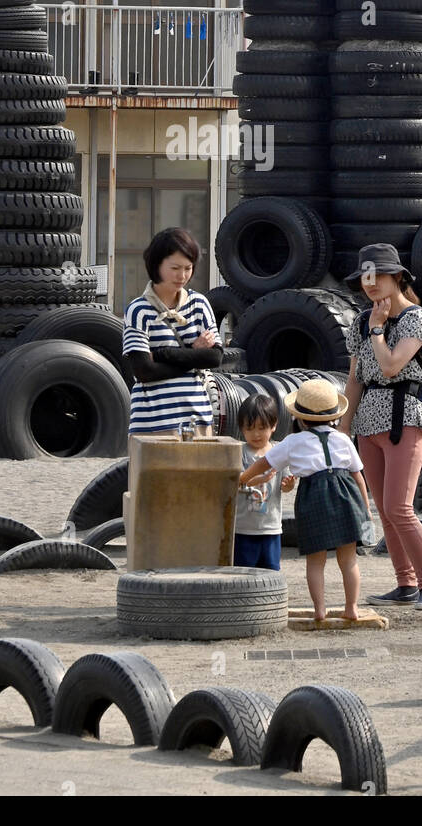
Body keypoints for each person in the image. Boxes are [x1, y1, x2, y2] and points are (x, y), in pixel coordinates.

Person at [340, 243, 422, 612]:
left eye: (378, 276)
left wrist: (376, 330)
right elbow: (355, 379)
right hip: (368, 419)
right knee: (384, 510)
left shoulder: (419, 318)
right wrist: (341, 430)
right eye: (365, 278)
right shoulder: (360, 321)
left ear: (398, 276)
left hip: (407, 415)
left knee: (399, 507)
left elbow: (390, 367)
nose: (371, 284)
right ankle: (405, 584)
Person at [240, 378, 371, 624]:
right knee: (348, 558)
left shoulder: (293, 441)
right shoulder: (343, 438)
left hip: (314, 495)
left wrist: (243, 478)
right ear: (334, 416)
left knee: (316, 559)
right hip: (346, 492)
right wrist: (365, 509)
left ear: (299, 418)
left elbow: (263, 463)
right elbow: (358, 475)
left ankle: (319, 609)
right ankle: (351, 607)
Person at [121, 227, 222, 436]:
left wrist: (160, 354)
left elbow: (214, 358)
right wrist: (194, 355)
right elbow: (144, 371)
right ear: (156, 265)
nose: (182, 276)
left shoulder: (199, 304)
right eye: (175, 268)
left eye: (188, 268)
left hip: (198, 420)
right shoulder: (138, 310)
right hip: (152, 422)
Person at [233, 394, 295, 570]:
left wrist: (288, 485)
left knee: (271, 573)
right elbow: (235, 482)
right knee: (242, 574)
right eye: (250, 428)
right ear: (241, 428)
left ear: (274, 425)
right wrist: (258, 479)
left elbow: (286, 484)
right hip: (243, 528)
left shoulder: (279, 451)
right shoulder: (239, 452)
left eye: (262, 427)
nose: (256, 434)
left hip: (271, 527)